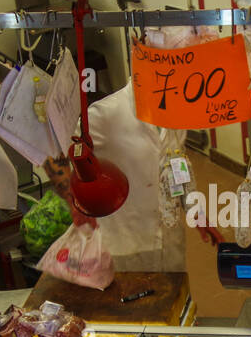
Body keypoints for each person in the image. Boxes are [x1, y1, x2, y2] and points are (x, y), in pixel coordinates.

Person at [85, 79, 219, 274]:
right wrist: (75, 202)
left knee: (175, 299)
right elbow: (59, 150)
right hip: (127, 244)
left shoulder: (176, 108)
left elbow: (176, 164)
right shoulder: (105, 114)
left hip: (170, 238)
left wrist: (195, 211)